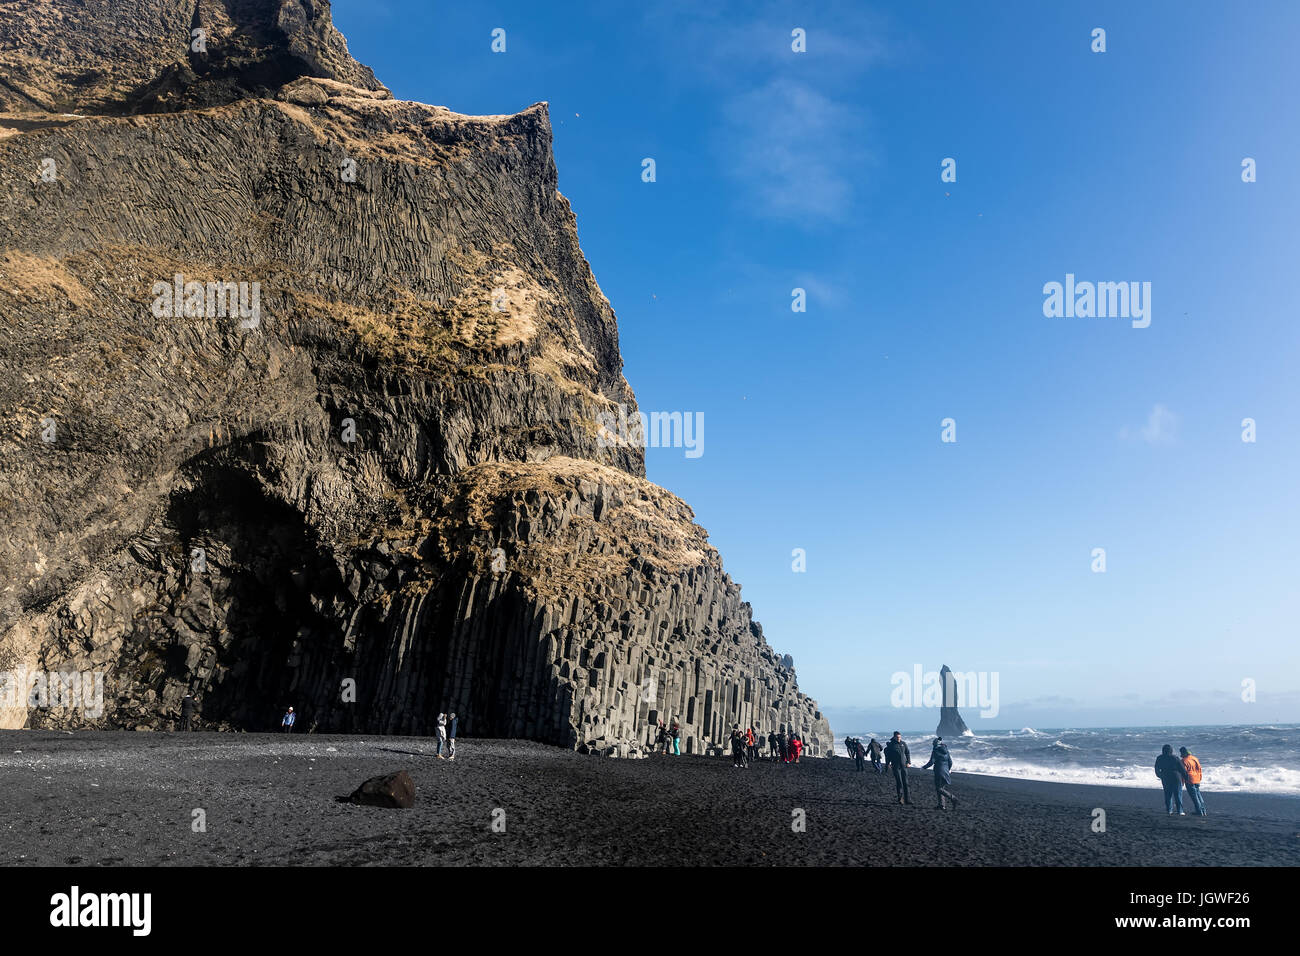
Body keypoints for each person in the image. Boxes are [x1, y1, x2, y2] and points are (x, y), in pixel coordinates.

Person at [921, 737, 960, 810]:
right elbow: (950, 762)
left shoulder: (935, 751)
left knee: (939, 788)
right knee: (942, 788)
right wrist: (948, 769)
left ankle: (953, 798)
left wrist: (924, 767)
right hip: (946, 772)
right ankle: (942, 805)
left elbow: (931, 762)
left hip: (938, 771)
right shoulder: (946, 750)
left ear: (935, 744)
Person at [1154, 744, 1187, 814]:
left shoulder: (1159, 758)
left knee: (1168, 795)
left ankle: (1169, 810)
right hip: (1176, 777)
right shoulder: (1175, 758)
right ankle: (1180, 811)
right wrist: (1186, 777)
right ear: (1171, 750)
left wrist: (1160, 776)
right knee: (1178, 795)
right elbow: (1182, 769)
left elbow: (1156, 769)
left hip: (1165, 777)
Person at [884, 731, 912, 804]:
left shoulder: (903, 743)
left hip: (904, 766)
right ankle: (900, 799)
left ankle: (908, 800)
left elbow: (907, 752)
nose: (899, 739)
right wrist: (887, 764)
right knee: (899, 782)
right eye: (897, 737)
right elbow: (888, 756)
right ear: (894, 737)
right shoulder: (891, 745)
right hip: (896, 766)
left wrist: (909, 762)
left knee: (906, 783)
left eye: (900, 737)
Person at [1180, 747, 1206, 816]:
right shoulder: (1195, 758)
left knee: (1195, 798)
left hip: (1189, 780)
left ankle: (1199, 812)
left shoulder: (1183, 761)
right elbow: (1199, 769)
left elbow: (1184, 773)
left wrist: (1182, 782)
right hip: (1197, 778)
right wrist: (1200, 778)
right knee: (1199, 796)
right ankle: (1203, 811)